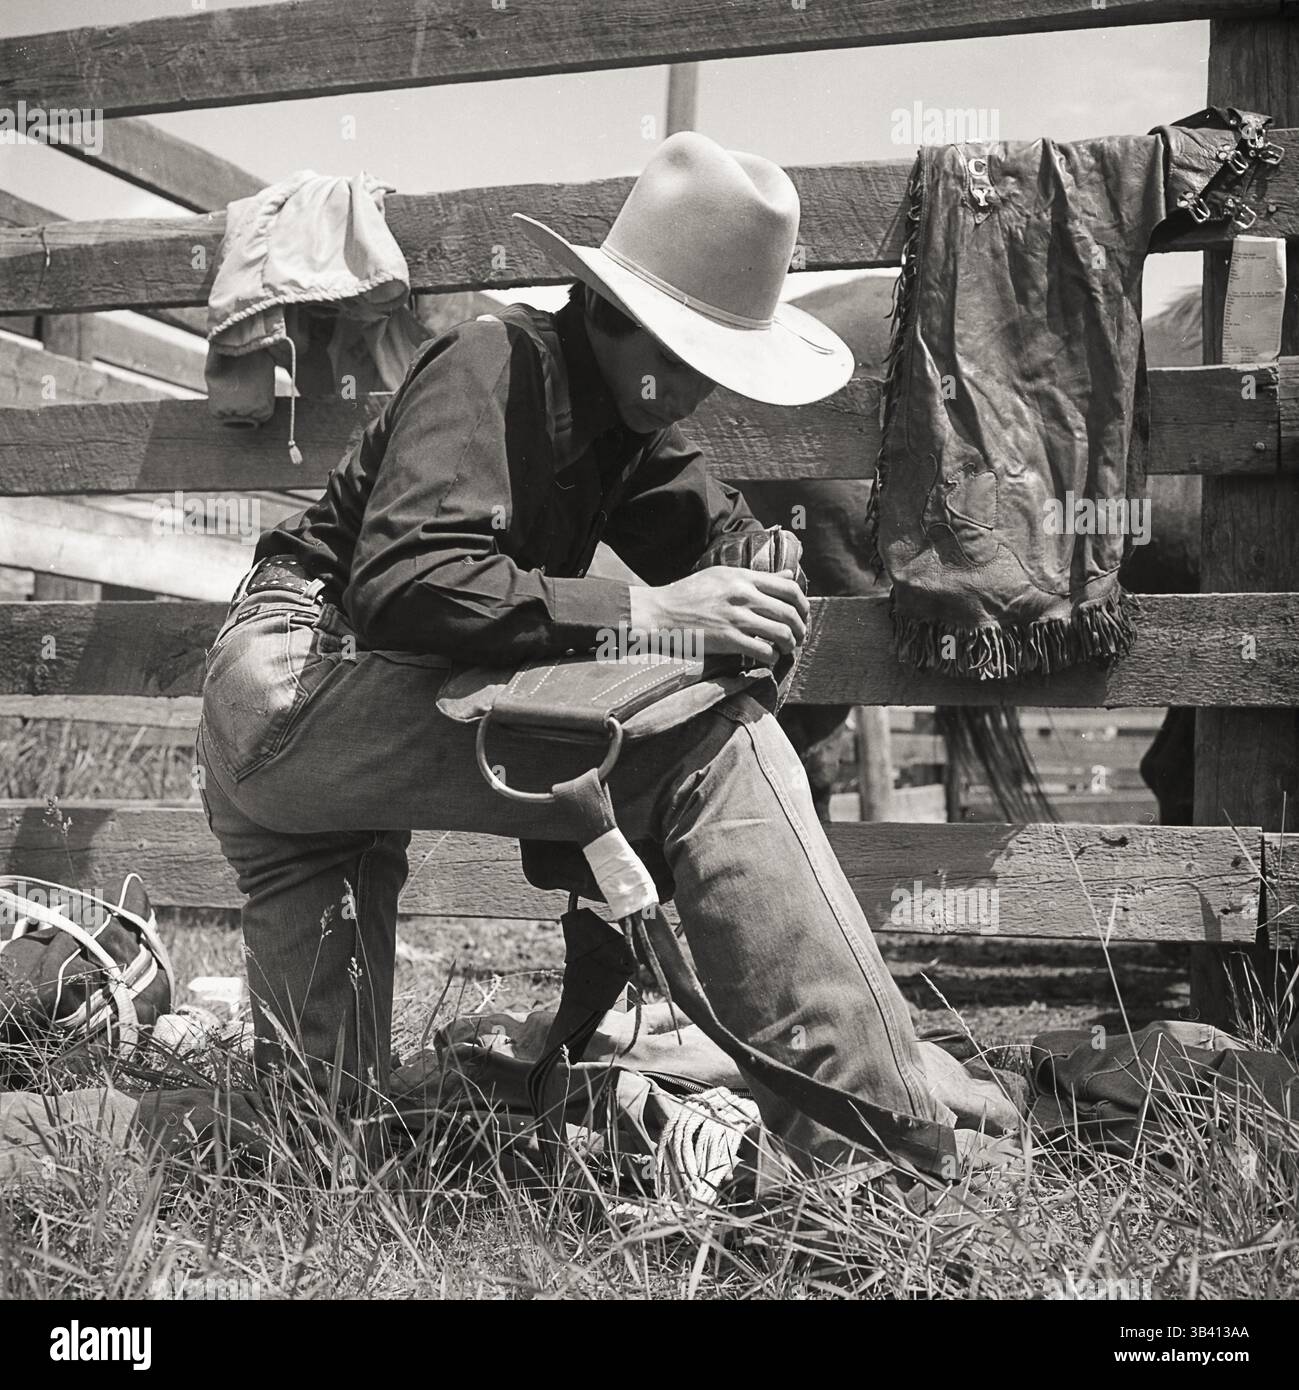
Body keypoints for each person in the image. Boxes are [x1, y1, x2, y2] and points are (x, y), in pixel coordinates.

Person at [196, 131, 959, 1174]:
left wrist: (760, 565)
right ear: (610, 312)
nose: (696, 390)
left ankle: (69, 1139)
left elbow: (717, 524)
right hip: (294, 686)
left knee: (311, 1141)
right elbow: (402, 585)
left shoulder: (624, 427)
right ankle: (882, 1153)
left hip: (304, 752)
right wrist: (647, 614)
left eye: (715, 365)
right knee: (708, 747)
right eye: (685, 357)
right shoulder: (490, 362)